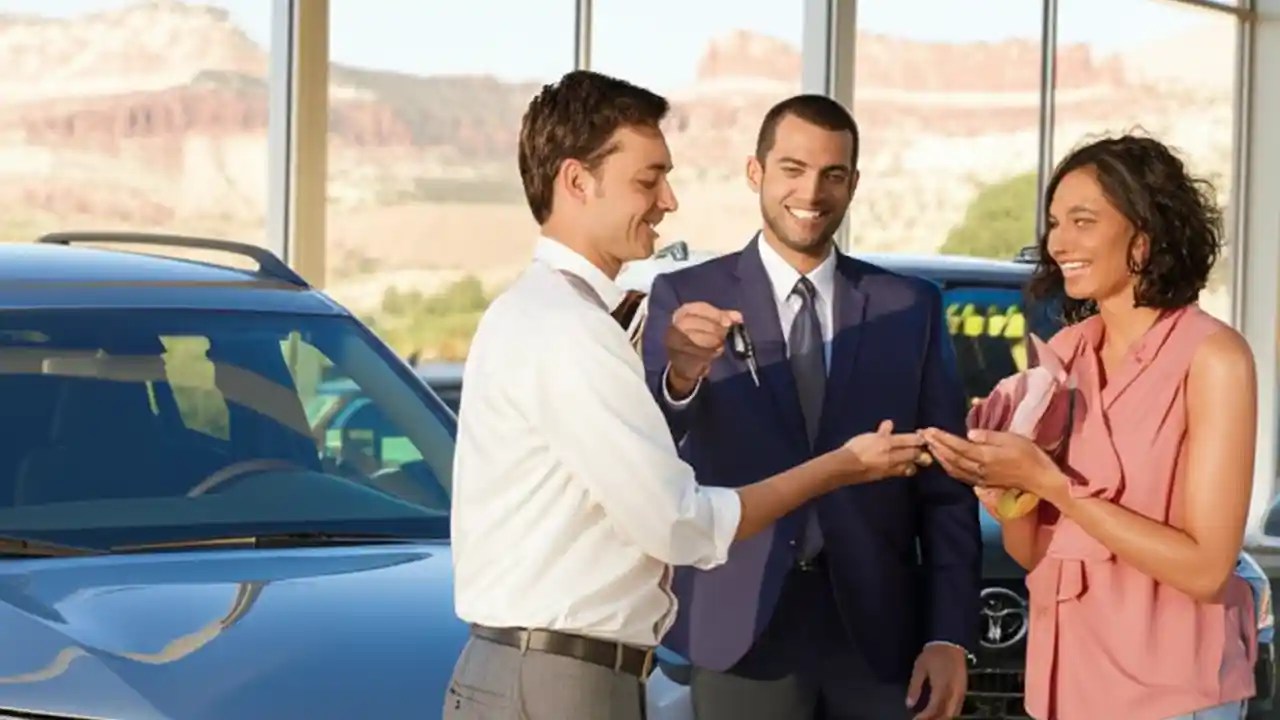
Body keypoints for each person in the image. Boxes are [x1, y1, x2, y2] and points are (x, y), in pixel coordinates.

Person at [444, 70, 931, 720]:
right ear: (577, 181)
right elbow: (679, 523)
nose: (668, 200)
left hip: (555, 674)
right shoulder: (570, 330)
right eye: (648, 180)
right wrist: (839, 468)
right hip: (559, 684)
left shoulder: (546, 314)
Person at [640, 94, 980, 720]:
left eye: (833, 174)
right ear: (755, 172)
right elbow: (650, 452)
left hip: (880, 641)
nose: (813, 191)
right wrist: (683, 374)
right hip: (739, 633)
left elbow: (947, 491)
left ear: (853, 182)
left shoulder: (911, 307)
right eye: (793, 168)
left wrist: (948, 633)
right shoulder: (685, 294)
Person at [923, 134, 1259, 720]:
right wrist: (1003, 487)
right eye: (1054, 222)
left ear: (1145, 234)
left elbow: (1207, 570)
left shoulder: (1215, 359)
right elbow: (1037, 556)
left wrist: (1051, 484)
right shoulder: (1064, 355)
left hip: (1175, 698)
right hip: (1067, 689)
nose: (1059, 243)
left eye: (1083, 221)